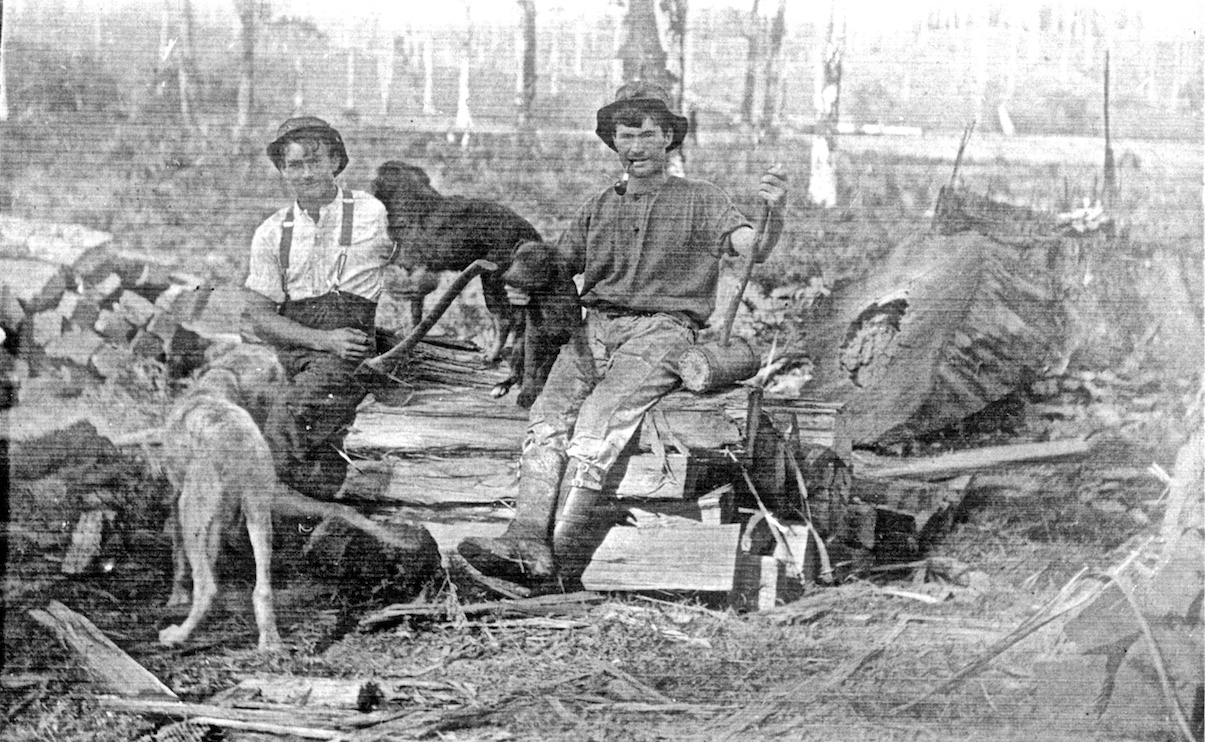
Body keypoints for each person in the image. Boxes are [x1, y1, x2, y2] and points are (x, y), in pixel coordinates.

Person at [457, 82, 788, 584]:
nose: (634, 147)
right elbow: (560, 265)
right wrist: (526, 275)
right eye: (624, 136)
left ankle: (558, 561)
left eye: (646, 134)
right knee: (547, 417)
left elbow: (753, 249)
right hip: (593, 331)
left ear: (669, 139)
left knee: (598, 422)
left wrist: (775, 211)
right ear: (613, 142)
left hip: (662, 333)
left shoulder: (701, 200)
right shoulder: (598, 207)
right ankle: (524, 537)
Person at [243, 116, 394, 499]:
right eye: (294, 165)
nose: (306, 174)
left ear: (335, 162)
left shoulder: (372, 212)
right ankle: (313, 515)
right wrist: (322, 340)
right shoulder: (271, 232)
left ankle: (266, 512)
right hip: (304, 349)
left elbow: (414, 265)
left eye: (315, 161)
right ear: (282, 170)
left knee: (287, 423)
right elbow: (260, 317)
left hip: (351, 349)